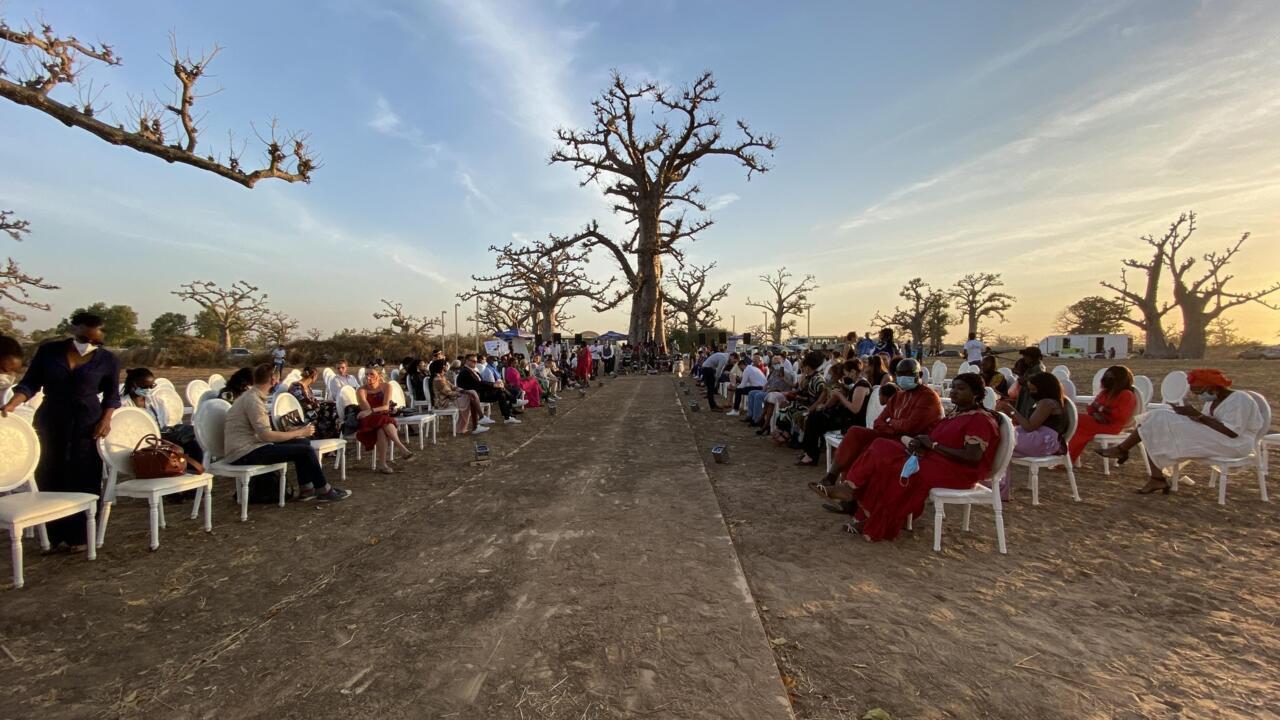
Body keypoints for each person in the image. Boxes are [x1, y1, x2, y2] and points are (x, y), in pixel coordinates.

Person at [810, 373, 1001, 541]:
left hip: (957, 471)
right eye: (953, 388)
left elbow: (972, 457)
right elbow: (881, 423)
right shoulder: (956, 415)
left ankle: (866, 511)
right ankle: (853, 494)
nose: (954, 392)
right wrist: (920, 443)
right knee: (881, 447)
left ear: (976, 393)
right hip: (935, 459)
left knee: (893, 467)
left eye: (961, 389)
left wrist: (933, 445)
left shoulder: (979, 419)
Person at [1, 312, 119, 547]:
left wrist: (106, 420)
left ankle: (81, 536)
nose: (89, 345)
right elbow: (30, 383)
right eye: (85, 339)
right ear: (74, 330)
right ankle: (54, 535)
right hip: (51, 418)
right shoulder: (49, 352)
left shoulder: (108, 360)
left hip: (88, 422)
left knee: (84, 474)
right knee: (50, 472)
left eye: (96, 342)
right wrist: (13, 404)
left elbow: (112, 396)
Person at [1096, 368, 1263, 494]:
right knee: (1155, 423)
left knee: (1157, 419)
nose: (1199, 396)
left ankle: (1123, 450)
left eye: (1200, 391)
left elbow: (1232, 431)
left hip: (1234, 444)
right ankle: (1155, 478)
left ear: (1214, 388)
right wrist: (1186, 415)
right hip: (1215, 437)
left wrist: (1197, 416)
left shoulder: (1239, 399)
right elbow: (1207, 422)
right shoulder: (1213, 401)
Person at [817, 358, 944, 513]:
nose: (903, 377)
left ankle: (851, 498)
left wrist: (892, 424)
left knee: (867, 449)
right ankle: (831, 477)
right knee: (856, 433)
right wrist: (894, 426)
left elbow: (910, 426)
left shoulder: (928, 397)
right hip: (892, 436)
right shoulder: (899, 395)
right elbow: (879, 422)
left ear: (919, 375)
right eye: (899, 374)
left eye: (908, 374)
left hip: (912, 444)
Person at [223, 364, 350, 502]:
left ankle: (307, 488)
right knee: (305, 449)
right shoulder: (253, 400)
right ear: (272, 379)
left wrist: (294, 433)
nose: (278, 382)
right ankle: (324, 490)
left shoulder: (251, 396)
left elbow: (262, 432)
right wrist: (299, 432)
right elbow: (266, 435)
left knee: (303, 443)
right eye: (277, 379)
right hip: (244, 453)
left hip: (250, 447)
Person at [996, 371, 1067, 500]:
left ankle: (1000, 488)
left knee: (1004, 443)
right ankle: (999, 487)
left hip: (1043, 440)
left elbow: (1029, 426)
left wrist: (1011, 410)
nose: (1031, 393)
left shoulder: (1047, 403)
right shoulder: (1044, 401)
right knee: (1001, 439)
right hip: (1037, 436)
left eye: (1033, 389)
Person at [799, 359, 871, 466]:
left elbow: (855, 409)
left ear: (853, 372)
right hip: (847, 418)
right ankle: (809, 452)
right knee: (814, 416)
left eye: (846, 372)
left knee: (815, 418)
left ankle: (810, 454)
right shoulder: (857, 384)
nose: (845, 374)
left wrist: (840, 396)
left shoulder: (861, 386)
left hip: (852, 422)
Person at [1068, 365, 1139, 463]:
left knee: (1076, 420)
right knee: (1075, 423)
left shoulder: (1126, 394)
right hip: (1098, 421)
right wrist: (1095, 414)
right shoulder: (1105, 392)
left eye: (1111, 377)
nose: (1107, 379)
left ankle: (1067, 457)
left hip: (1111, 426)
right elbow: (1091, 407)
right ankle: (1067, 457)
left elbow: (1120, 415)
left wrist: (1101, 409)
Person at [356, 366, 415, 474]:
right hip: (368, 420)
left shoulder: (386, 386)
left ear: (379, 376)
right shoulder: (361, 390)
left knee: (381, 428)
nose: (368, 377)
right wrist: (375, 410)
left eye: (371, 374)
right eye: (366, 374)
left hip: (380, 418)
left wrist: (374, 410)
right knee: (384, 421)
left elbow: (386, 407)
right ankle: (401, 448)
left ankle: (383, 464)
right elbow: (367, 411)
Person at [774, 351, 825, 445]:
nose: (802, 369)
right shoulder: (809, 378)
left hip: (812, 407)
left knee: (794, 411)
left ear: (808, 367)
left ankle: (795, 437)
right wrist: (793, 394)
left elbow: (818, 400)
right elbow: (802, 391)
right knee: (786, 409)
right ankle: (787, 433)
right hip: (805, 404)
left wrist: (797, 397)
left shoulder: (818, 380)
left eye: (803, 367)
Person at [457, 353, 520, 424]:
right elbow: (478, 384)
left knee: (501, 391)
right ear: (467, 361)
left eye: (476, 361)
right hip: (473, 396)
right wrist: (493, 385)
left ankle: (508, 415)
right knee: (500, 392)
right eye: (473, 361)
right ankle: (513, 404)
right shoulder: (465, 372)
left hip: (478, 393)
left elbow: (481, 382)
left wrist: (495, 385)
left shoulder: (471, 370)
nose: (475, 363)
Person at [430, 358, 485, 434]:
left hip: (449, 399)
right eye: (446, 365)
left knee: (471, 393)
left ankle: (477, 423)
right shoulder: (438, 379)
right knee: (470, 396)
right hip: (443, 403)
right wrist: (461, 393)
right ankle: (477, 423)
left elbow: (453, 386)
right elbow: (448, 392)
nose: (448, 366)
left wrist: (462, 390)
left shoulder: (442, 377)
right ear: (443, 367)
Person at [289, 366, 340, 439]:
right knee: (331, 411)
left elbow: (312, 402)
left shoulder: (306, 386)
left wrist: (324, 402)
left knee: (332, 406)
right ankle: (328, 436)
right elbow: (308, 405)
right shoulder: (297, 387)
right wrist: (322, 404)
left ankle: (332, 435)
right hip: (303, 414)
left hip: (310, 410)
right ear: (313, 376)